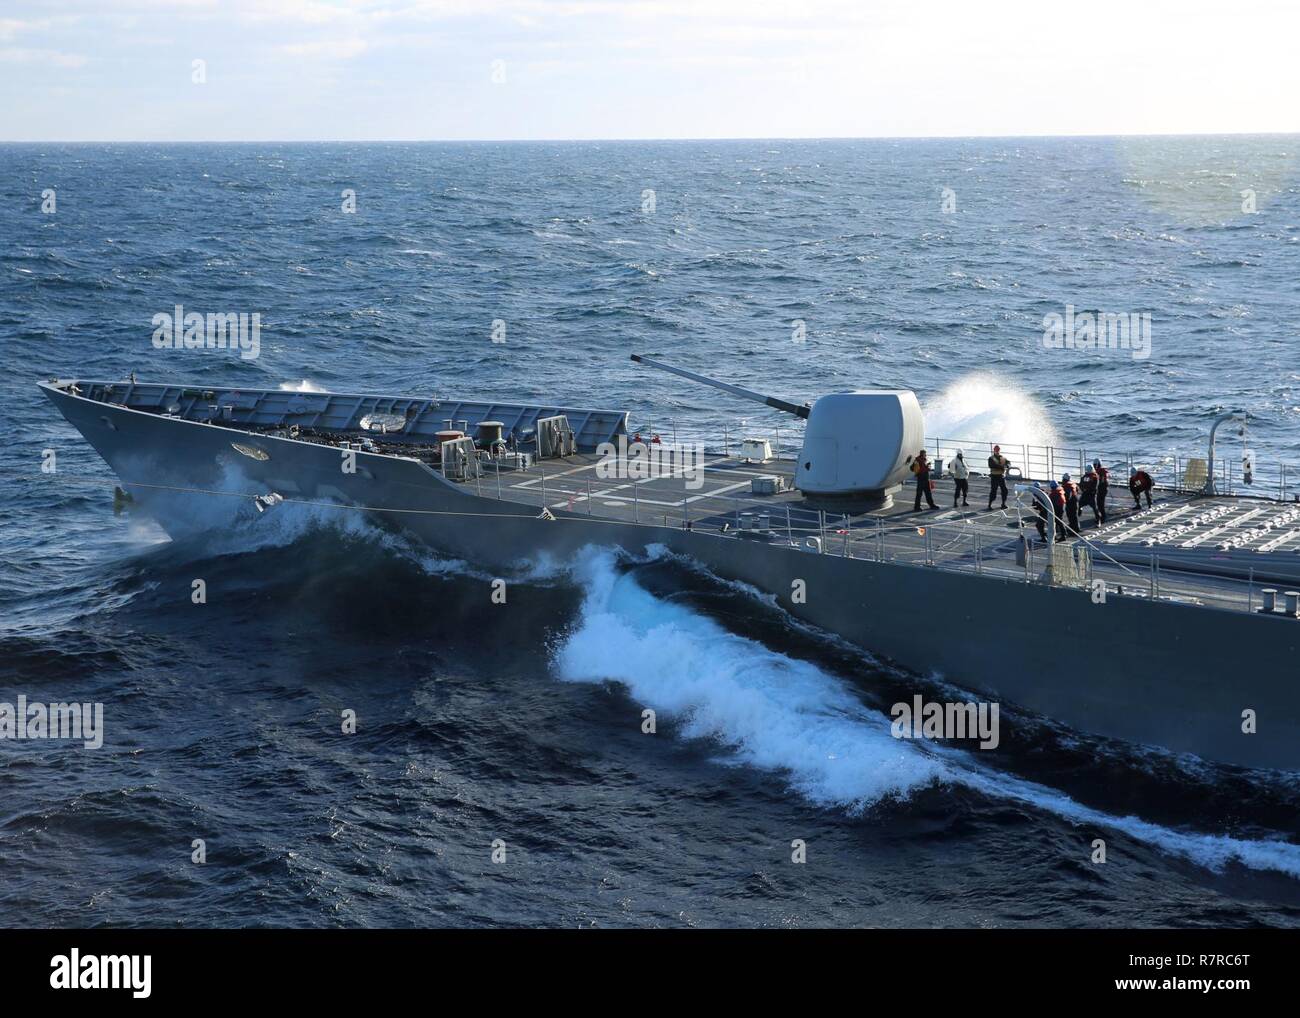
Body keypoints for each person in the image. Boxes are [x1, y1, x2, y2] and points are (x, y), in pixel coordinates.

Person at [986, 445, 1010, 509]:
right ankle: (989, 504)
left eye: (998, 449)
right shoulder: (991, 458)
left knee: (1005, 490)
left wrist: (1007, 465)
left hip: (1001, 476)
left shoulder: (1002, 458)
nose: (997, 451)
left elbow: (1008, 462)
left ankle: (1003, 504)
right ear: (994, 450)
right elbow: (992, 465)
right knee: (993, 491)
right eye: (996, 450)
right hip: (994, 476)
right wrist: (1002, 467)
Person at [1093, 459, 1109, 524]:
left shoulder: (1102, 471)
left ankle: (1103, 517)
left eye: (1095, 465)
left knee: (1100, 503)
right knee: (1099, 503)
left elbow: (1102, 481)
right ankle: (1101, 516)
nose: (1095, 466)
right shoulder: (1097, 471)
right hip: (1100, 489)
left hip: (1103, 489)